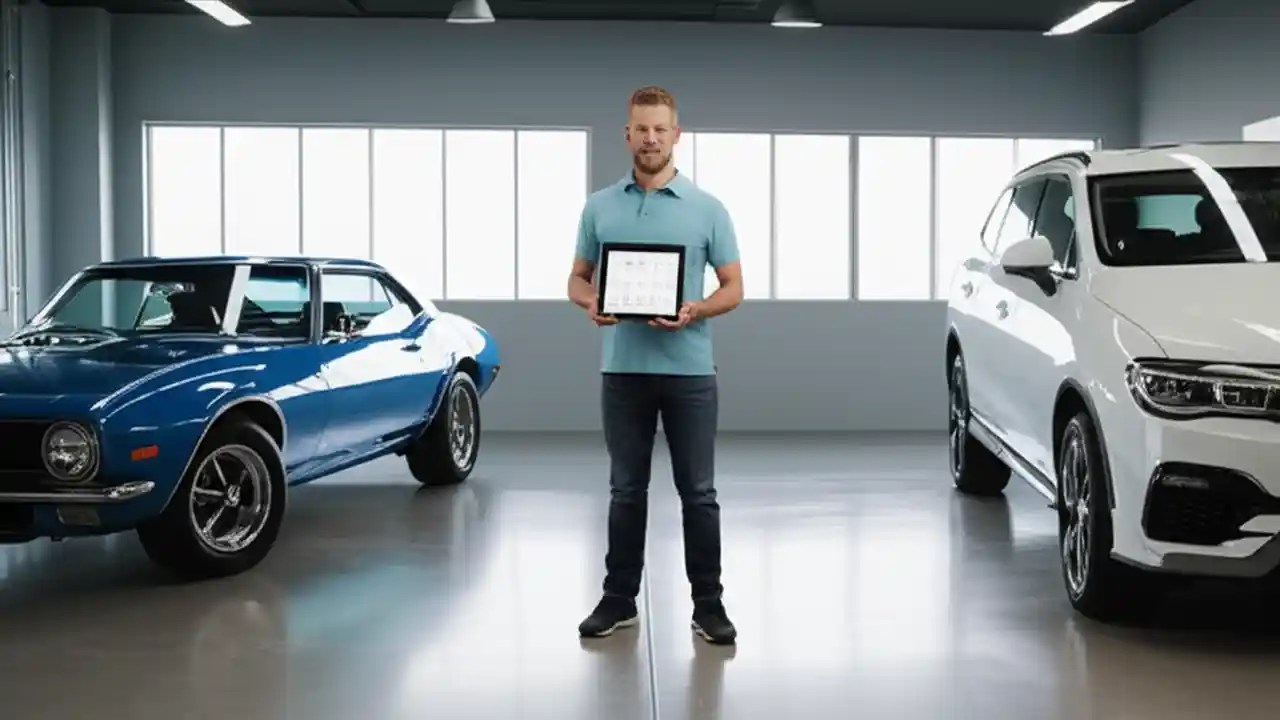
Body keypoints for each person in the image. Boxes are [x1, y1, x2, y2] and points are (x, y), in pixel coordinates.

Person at [567, 85, 744, 645]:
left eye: (660, 129)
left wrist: (695, 311)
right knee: (625, 490)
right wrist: (591, 302)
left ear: (676, 135)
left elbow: (735, 288)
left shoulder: (708, 210)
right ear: (627, 135)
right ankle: (618, 599)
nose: (650, 138)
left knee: (699, 494)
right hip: (623, 372)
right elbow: (576, 278)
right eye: (641, 129)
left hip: (691, 372)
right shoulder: (599, 206)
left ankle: (708, 605)